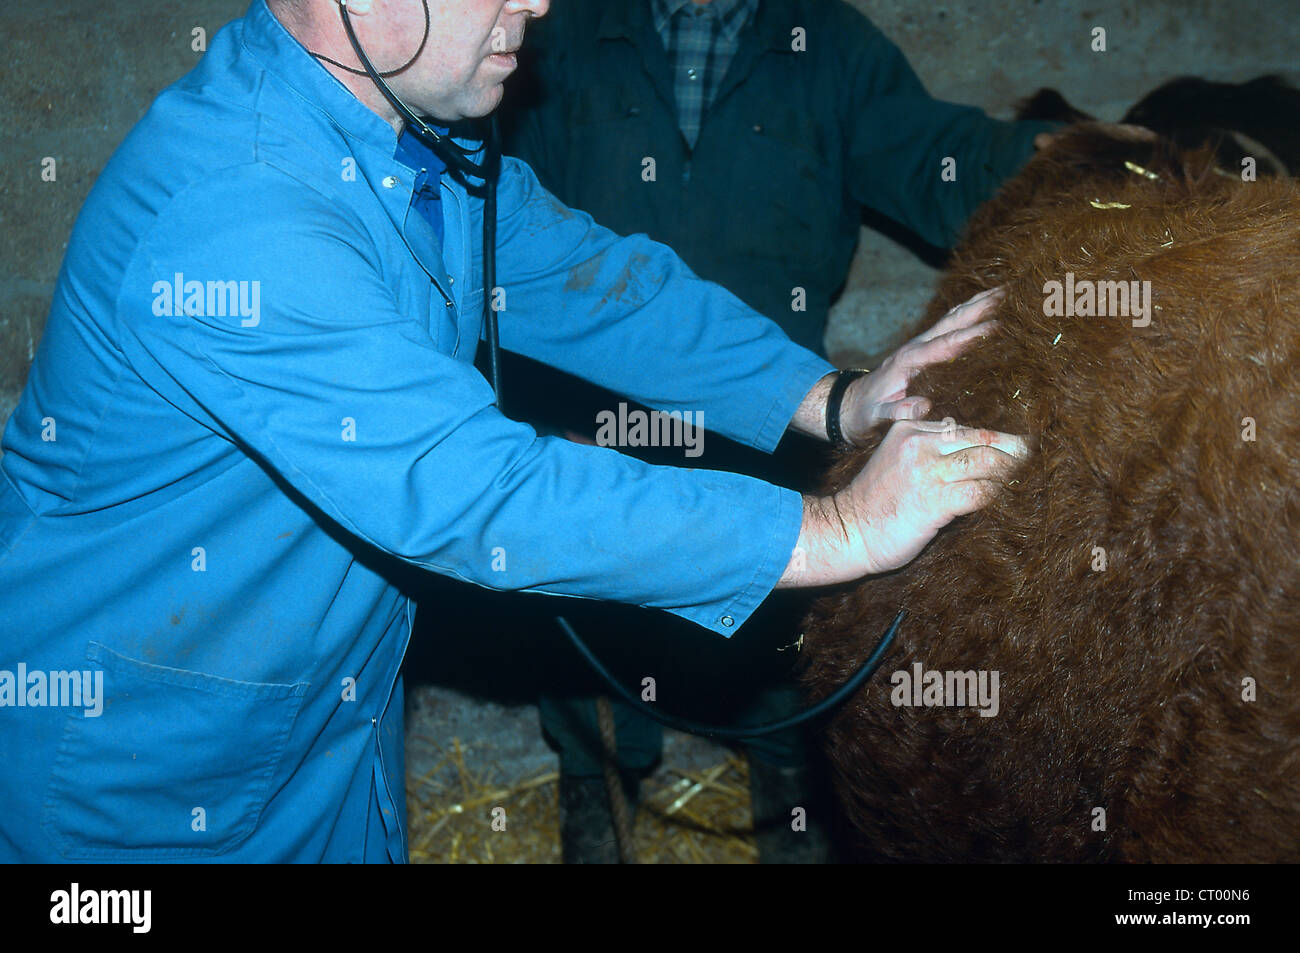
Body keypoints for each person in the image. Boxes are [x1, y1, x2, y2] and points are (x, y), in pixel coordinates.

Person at [0, 0, 1024, 863]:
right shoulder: (241, 214)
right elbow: (475, 490)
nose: (537, 1)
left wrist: (831, 398)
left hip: (325, 731)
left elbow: (590, 282)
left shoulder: (409, 138)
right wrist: (837, 528)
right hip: (139, 768)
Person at [497, 0, 1061, 862]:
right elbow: (527, 248)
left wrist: (1059, 162)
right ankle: (597, 803)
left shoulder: (824, 42)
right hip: (597, 425)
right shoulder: (564, 34)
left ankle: (790, 817)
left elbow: (934, 156)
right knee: (595, 673)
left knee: (782, 669)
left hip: (770, 422)